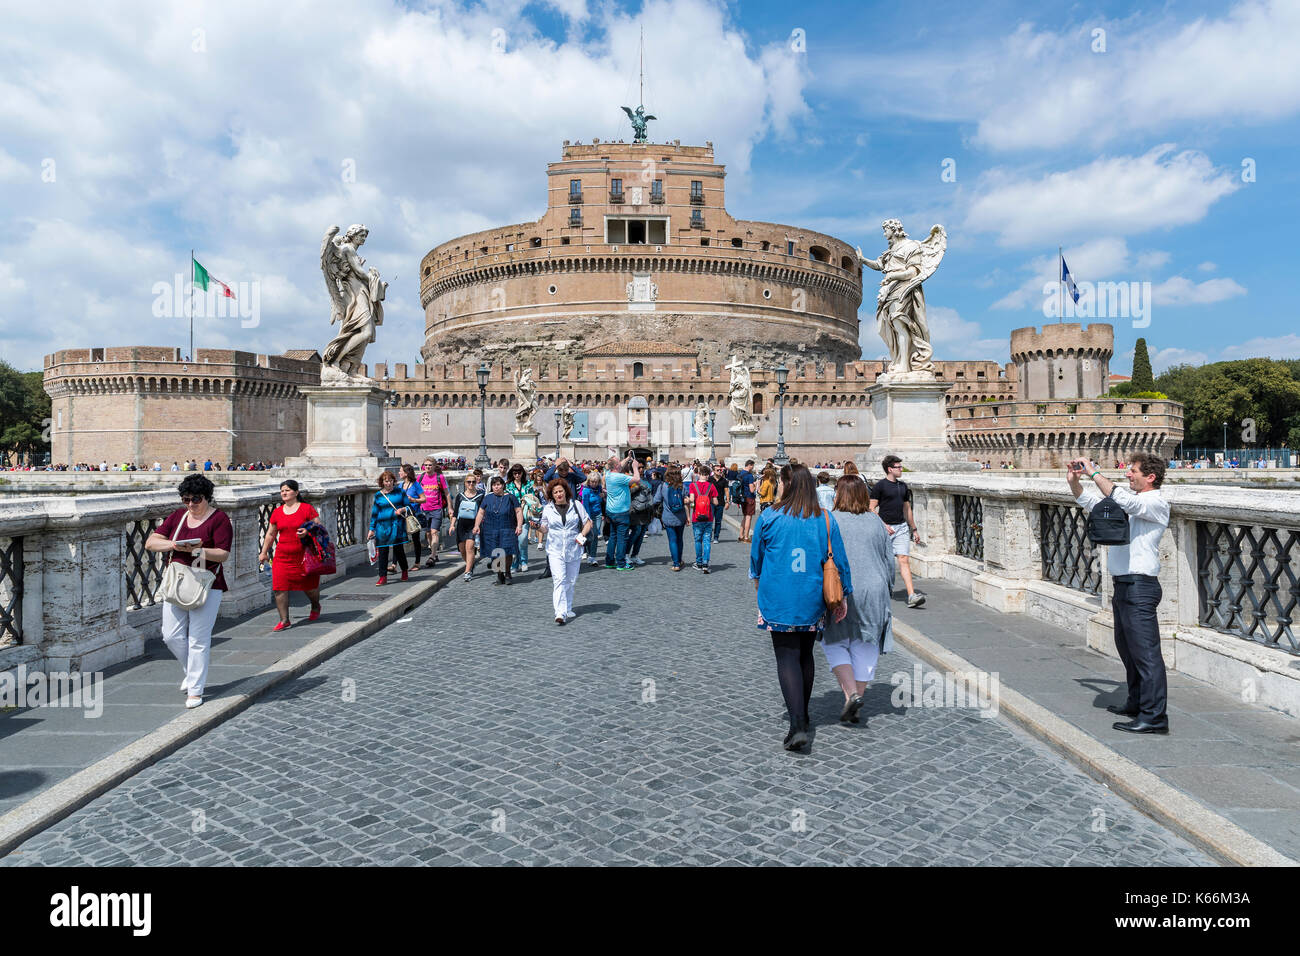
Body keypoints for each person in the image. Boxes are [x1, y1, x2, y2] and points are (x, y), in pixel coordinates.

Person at [1068, 453, 1172, 735]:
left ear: (1150, 477)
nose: (1128, 475)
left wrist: (1094, 473)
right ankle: (1136, 702)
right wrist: (1075, 483)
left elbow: (1127, 501)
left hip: (1141, 586)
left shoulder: (1155, 503)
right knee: (1128, 649)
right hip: (1123, 584)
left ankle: (1154, 717)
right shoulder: (1134, 502)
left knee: (1147, 654)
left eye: (1133, 471)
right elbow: (1091, 502)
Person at [750, 464, 851, 751]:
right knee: (805, 655)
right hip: (812, 598)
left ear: (786, 484)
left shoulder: (770, 516)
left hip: (778, 597)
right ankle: (803, 717)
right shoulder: (825, 519)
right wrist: (844, 596)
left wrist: (757, 580)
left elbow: (756, 558)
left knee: (786, 658)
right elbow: (840, 562)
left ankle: (797, 724)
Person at [145, 474, 233, 709]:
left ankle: (196, 689)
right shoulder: (178, 517)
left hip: (207, 584)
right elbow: (151, 543)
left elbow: (223, 553)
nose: (192, 504)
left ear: (207, 497)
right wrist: (174, 545)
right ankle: (192, 670)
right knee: (170, 635)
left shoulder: (220, 519)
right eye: (186, 499)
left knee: (198, 639)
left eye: (196, 499)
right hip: (178, 582)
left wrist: (199, 550)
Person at [822, 476, 894, 723]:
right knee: (866, 643)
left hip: (841, 590)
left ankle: (852, 694)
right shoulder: (876, 522)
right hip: (874, 588)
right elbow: (889, 561)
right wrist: (888, 588)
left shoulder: (830, 521)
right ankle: (856, 699)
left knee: (835, 641)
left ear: (838, 495)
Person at [257, 479, 323, 631]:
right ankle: (284, 619)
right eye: (282, 491)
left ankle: (315, 605)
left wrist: (308, 531)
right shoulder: (277, 512)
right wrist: (264, 552)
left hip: (305, 555)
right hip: (282, 556)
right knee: (279, 588)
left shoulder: (306, 509)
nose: (284, 493)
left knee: (310, 587)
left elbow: (318, 526)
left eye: (287, 490)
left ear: (296, 492)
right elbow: (270, 533)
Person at [869, 455, 926, 609]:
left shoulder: (903, 487)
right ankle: (883, 591)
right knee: (885, 563)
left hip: (901, 527)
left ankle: (911, 595)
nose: (901, 469)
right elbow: (871, 508)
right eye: (898, 467)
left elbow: (907, 509)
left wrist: (914, 529)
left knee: (903, 559)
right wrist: (883, 525)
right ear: (890, 469)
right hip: (885, 529)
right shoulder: (880, 486)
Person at [540, 478, 593, 624]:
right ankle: (560, 613)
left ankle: (568, 607)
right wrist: (537, 527)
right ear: (552, 494)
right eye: (555, 492)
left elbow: (588, 522)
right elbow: (544, 528)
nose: (558, 494)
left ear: (565, 491)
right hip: (555, 549)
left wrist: (582, 535)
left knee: (570, 580)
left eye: (560, 491)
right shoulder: (548, 509)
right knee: (559, 579)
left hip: (574, 548)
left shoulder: (576, 505)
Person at [473, 475, 523, 585]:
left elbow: (518, 511)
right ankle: (499, 575)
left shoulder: (510, 497)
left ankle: (508, 573)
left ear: (503, 485)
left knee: (507, 551)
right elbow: (481, 512)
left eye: (498, 484)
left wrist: (519, 526)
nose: (496, 487)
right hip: (491, 529)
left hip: (507, 527)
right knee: (495, 552)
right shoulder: (488, 498)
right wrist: (476, 526)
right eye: (494, 485)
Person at [369, 470, 412, 586]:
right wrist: (371, 529)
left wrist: (403, 509)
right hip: (382, 527)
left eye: (390, 481)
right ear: (382, 482)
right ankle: (382, 576)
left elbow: (409, 506)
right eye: (386, 481)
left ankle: (404, 570)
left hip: (397, 525)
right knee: (383, 551)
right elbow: (374, 513)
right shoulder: (378, 495)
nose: (388, 483)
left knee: (399, 550)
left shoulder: (400, 492)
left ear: (394, 481)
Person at [603, 456, 641, 571]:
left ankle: (609, 561)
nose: (621, 463)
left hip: (611, 510)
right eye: (619, 462)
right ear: (616, 466)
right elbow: (637, 479)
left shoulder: (608, 473)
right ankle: (621, 563)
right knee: (622, 538)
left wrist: (628, 457)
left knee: (613, 536)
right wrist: (635, 467)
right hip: (621, 511)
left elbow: (617, 465)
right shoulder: (620, 477)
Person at [654, 464, 689, 571]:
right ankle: (679, 560)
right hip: (681, 517)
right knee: (679, 540)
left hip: (668, 517)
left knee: (672, 540)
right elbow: (687, 502)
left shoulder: (663, 486)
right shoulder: (682, 487)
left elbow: (656, 500)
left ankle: (675, 564)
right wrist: (688, 517)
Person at [451, 474, 485, 581]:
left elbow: (482, 512)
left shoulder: (480, 496)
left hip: (473, 525)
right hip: (461, 525)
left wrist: (478, 525)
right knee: (462, 550)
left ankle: (467, 571)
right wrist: (452, 525)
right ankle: (470, 565)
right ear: (465, 483)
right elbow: (456, 512)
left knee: (469, 548)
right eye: (469, 482)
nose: (471, 484)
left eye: (473, 482)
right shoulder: (460, 496)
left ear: (476, 483)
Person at [417, 459, 450, 567]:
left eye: (430, 465)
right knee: (428, 533)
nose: (427, 467)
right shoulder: (420, 477)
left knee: (434, 532)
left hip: (436, 509)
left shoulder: (439, 477)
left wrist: (450, 507)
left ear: (434, 466)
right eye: (425, 465)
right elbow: (416, 492)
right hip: (423, 510)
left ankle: (432, 555)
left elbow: (447, 493)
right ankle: (434, 552)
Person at [685, 467, 719, 573]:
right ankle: (705, 563)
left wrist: (686, 500)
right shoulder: (711, 486)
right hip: (708, 518)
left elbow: (691, 500)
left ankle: (698, 563)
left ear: (698, 474)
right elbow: (716, 502)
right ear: (708, 475)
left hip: (697, 517)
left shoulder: (692, 485)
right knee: (707, 541)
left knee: (698, 540)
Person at [506, 463, 537, 573]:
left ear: (522, 473)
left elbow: (533, 499)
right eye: (515, 473)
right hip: (512, 517)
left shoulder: (528, 485)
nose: (517, 475)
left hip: (524, 516)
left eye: (519, 473)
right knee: (514, 542)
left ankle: (523, 561)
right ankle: (515, 563)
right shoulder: (508, 486)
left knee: (523, 540)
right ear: (512, 474)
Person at [397, 464, 427, 568]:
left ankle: (417, 562)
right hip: (402, 515)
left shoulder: (415, 485)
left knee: (415, 539)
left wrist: (413, 499)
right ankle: (393, 565)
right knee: (398, 539)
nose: (399, 473)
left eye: (400, 471)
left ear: (406, 473)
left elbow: (424, 499)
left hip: (413, 515)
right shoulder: (400, 485)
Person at [626, 473, 655, 566]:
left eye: (642, 467)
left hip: (646, 510)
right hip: (635, 510)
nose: (641, 469)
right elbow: (628, 493)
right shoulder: (630, 479)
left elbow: (650, 494)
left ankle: (635, 555)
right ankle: (626, 554)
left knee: (641, 534)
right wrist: (637, 487)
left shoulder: (647, 480)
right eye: (639, 468)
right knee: (635, 532)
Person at [580, 472, 605, 565]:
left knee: (594, 536)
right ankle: (592, 556)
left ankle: (589, 552)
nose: (594, 484)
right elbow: (585, 506)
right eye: (592, 482)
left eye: (596, 482)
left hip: (598, 514)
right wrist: (588, 519)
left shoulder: (599, 489)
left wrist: (602, 496)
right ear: (589, 481)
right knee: (593, 536)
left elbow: (600, 501)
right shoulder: (586, 491)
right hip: (589, 515)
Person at [709, 462, 729, 542]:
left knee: (718, 521)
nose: (720, 471)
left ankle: (716, 537)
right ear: (713, 471)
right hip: (711, 502)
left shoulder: (724, 480)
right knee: (710, 520)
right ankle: (709, 536)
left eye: (720, 470)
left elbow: (727, 491)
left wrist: (728, 501)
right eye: (718, 470)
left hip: (720, 502)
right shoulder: (709, 479)